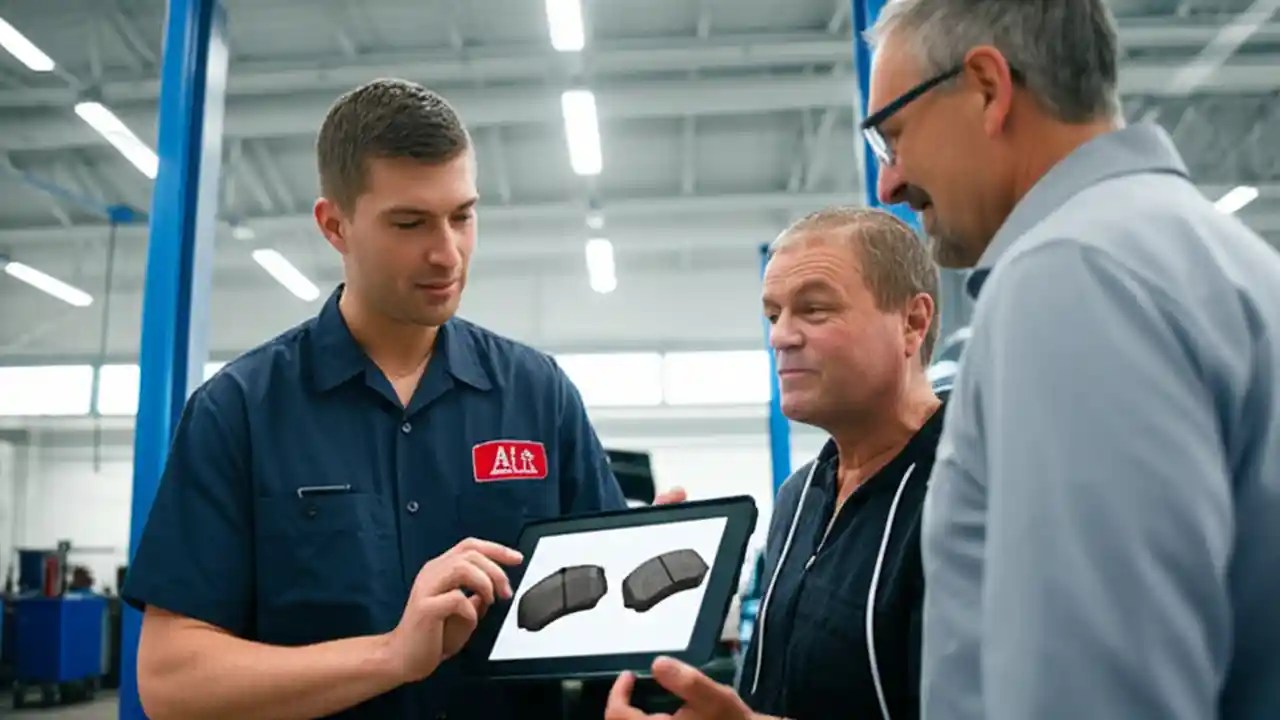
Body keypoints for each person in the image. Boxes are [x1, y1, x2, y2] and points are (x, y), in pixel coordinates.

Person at [122, 78, 682, 720]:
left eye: (463, 216)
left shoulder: (538, 395)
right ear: (335, 225)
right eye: (410, 223)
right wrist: (391, 656)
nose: (447, 253)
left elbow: (609, 628)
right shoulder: (240, 411)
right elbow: (170, 682)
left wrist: (662, 572)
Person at [863, 2, 1280, 718]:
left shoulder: (1072, 276)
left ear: (988, 88)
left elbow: (1100, 696)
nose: (889, 185)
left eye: (894, 137)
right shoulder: (1223, 260)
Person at [607, 207, 946, 720]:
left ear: (912, 323)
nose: (780, 337)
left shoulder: (968, 494)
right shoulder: (799, 496)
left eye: (814, 309)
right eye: (773, 314)